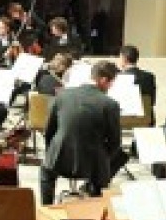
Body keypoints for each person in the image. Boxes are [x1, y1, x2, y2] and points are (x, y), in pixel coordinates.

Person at [40, 61, 123, 205]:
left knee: (46, 174)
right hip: (92, 163)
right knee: (110, 163)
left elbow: (49, 131)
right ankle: (95, 205)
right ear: (103, 80)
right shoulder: (110, 104)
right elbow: (115, 142)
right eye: (111, 83)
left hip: (60, 157)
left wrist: (51, 153)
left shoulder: (62, 95)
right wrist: (103, 158)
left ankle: (46, 207)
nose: (111, 87)